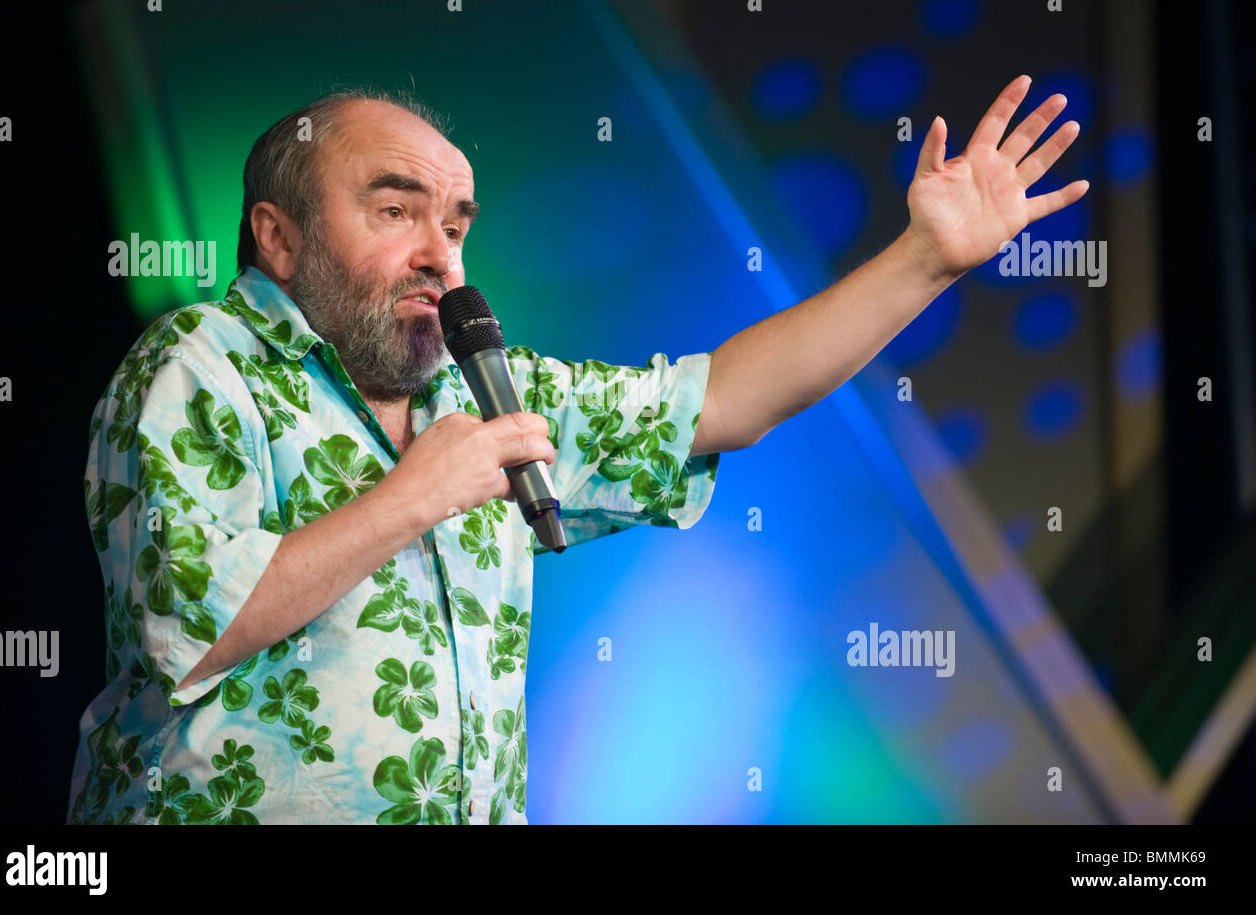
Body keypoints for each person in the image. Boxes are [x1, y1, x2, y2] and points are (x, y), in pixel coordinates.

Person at [68, 77, 1086, 824]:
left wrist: (924, 261)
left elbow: (715, 402)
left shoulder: (483, 390)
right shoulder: (202, 360)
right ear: (277, 238)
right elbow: (184, 629)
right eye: (395, 212)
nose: (440, 253)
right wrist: (407, 499)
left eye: (455, 224)